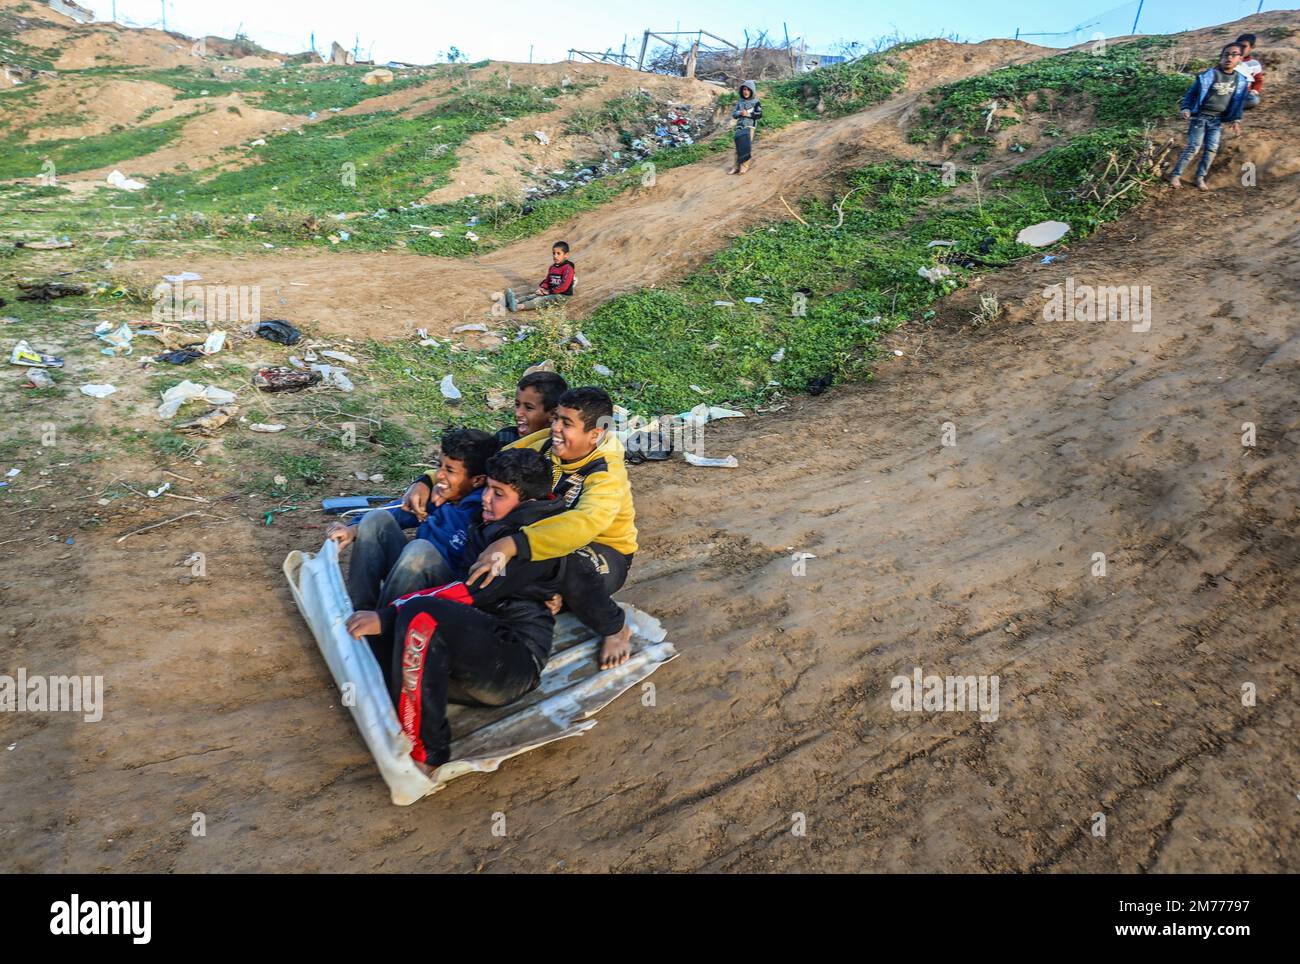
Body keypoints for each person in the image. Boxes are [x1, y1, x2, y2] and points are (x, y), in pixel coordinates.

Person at [344, 448, 567, 771]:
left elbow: (470, 593)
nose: (486, 498)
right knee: (380, 528)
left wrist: (386, 618)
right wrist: (425, 482)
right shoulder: (492, 521)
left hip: (510, 664)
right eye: (486, 489)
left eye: (497, 493)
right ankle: (373, 645)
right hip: (478, 636)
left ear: (528, 503)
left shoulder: (526, 543)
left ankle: (429, 752)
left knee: (420, 613)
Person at [469, 387, 639, 670]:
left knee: (564, 565)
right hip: (548, 536)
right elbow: (497, 459)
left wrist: (514, 544)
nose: (555, 428)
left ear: (595, 434)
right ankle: (548, 594)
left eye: (567, 424)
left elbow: (585, 523)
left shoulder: (606, 473)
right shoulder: (547, 444)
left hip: (602, 552)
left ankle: (615, 627)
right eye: (556, 418)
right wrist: (428, 480)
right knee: (491, 531)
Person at [326, 428, 498, 609]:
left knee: (419, 551)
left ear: (478, 481)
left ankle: (383, 628)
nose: (439, 475)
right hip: (407, 576)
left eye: (449, 470)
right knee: (375, 519)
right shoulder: (441, 493)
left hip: (442, 594)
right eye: (439, 466)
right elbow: (401, 509)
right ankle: (359, 608)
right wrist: (352, 529)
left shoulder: (485, 512)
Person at [1170, 43, 1248, 191]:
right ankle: (1175, 175)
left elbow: (1238, 102)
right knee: (1194, 147)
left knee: (1212, 148)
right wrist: (1186, 108)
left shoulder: (1240, 81)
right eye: (1226, 54)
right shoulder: (1208, 75)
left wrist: (1236, 119)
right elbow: (1191, 94)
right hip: (1200, 117)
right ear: (1221, 57)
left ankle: (1200, 178)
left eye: (1234, 54)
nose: (1229, 58)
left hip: (1217, 120)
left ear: (1240, 59)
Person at [492, 370, 568, 448]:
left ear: (553, 414)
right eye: (517, 404)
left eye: (529, 408)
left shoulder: (553, 450)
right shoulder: (505, 438)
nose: (518, 413)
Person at [504, 242, 575, 312]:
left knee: (541, 300)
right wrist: (543, 289)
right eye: (553, 253)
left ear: (566, 255)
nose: (555, 256)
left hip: (562, 296)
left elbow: (564, 286)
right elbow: (547, 281)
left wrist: (548, 292)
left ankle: (517, 307)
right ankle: (514, 301)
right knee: (533, 295)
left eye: (558, 253)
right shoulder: (552, 267)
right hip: (552, 292)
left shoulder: (568, 268)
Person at [731, 80, 762, 175]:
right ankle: (736, 167)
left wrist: (748, 114)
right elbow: (734, 114)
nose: (746, 91)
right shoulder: (740, 102)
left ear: (752, 91)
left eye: (748, 90)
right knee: (737, 148)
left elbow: (759, 114)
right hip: (739, 126)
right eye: (744, 89)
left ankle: (744, 167)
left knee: (745, 147)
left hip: (749, 127)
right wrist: (740, 113)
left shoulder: (756, 102)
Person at [1234, 34, 1263, 109]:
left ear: (1252, 47)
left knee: (1254, 100)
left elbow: (1258, 80)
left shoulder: (1254, 64)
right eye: (1239, 46)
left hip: (1243, 95)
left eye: (1244, 46)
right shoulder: (1229, 60)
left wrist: (1254, 91)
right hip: (1226, 93)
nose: (1241, 49)